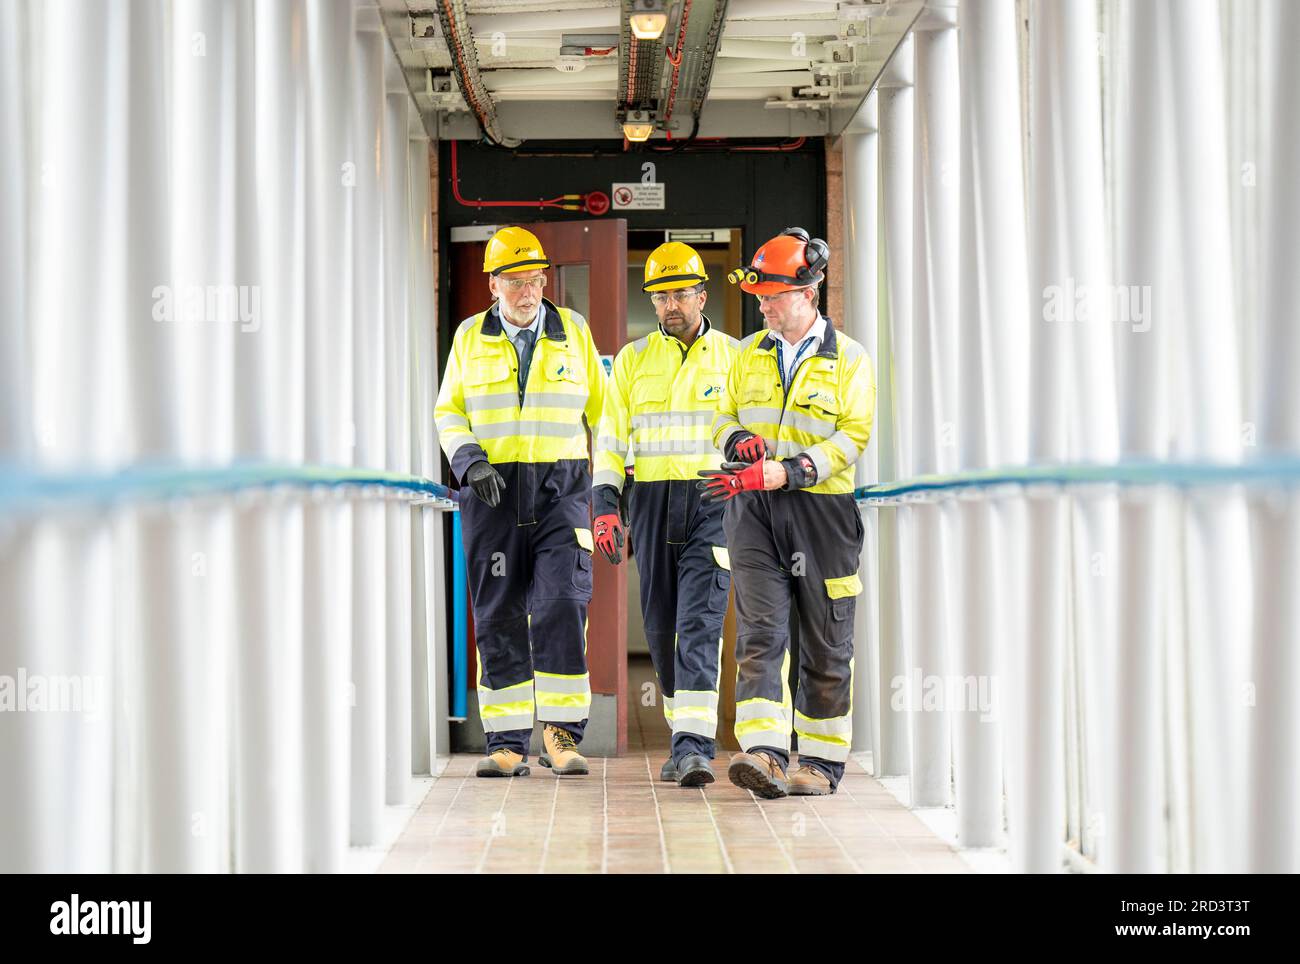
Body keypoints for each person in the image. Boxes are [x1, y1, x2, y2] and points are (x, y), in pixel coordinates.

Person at [703, 228, 875, 797]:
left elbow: (854, 436)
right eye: (760, 297)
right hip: (752, 510)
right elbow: (721, 414)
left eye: (774, 295)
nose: (764, 305)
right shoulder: (748, 353)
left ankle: (821, 765)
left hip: (821, 511)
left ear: (810, 289)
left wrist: (794, 469)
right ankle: (766, 755)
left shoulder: (848, 360)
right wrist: (736, 443)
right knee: (760, 632)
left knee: (826, 638)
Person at [434, 226, 606, 778]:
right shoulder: (468, 337)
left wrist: (606, 492)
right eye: (515, 281)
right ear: (493, 285)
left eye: (534, 279)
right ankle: (506, 742)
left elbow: (604, 416)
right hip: (492, 494)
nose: (528, 291)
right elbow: (449, 412)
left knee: (562, 602)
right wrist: (470, 462)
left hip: (562, 491)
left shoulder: (573, 331)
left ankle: (559, 735)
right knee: (498, 612)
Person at [591, 242, 741, 787]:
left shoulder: (735, 357)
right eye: (659, 295)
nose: (670, 303)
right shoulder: (631, 361)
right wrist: (605, 502)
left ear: (703, 295)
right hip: (652, 503)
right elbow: (610, 438)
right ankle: (685, 739)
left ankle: (695, 746)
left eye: (680, 292)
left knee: (699, 621)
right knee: (661, 625)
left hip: (713, 502)